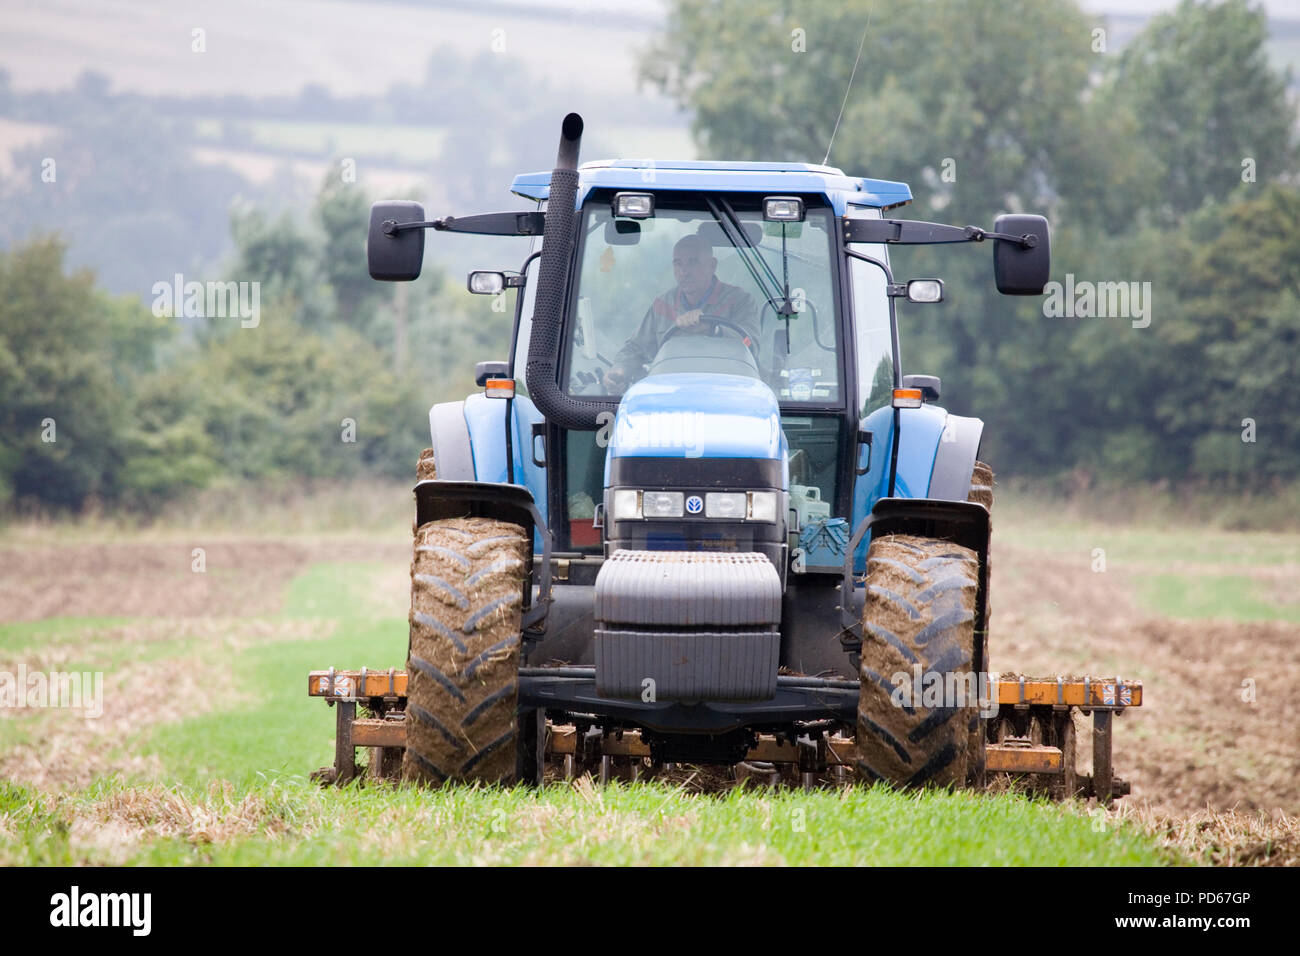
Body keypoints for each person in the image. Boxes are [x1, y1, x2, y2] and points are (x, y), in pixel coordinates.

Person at [603, 234, 757, 392]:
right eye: (678, 264)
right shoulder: (662, 306)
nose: (684, 272)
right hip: (671, 394)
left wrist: (713, 329)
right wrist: (620, 369)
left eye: (693, 263)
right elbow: (635, 349)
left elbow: (750, 344)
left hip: (728, 393)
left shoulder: (739, 301)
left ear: (712, 265)